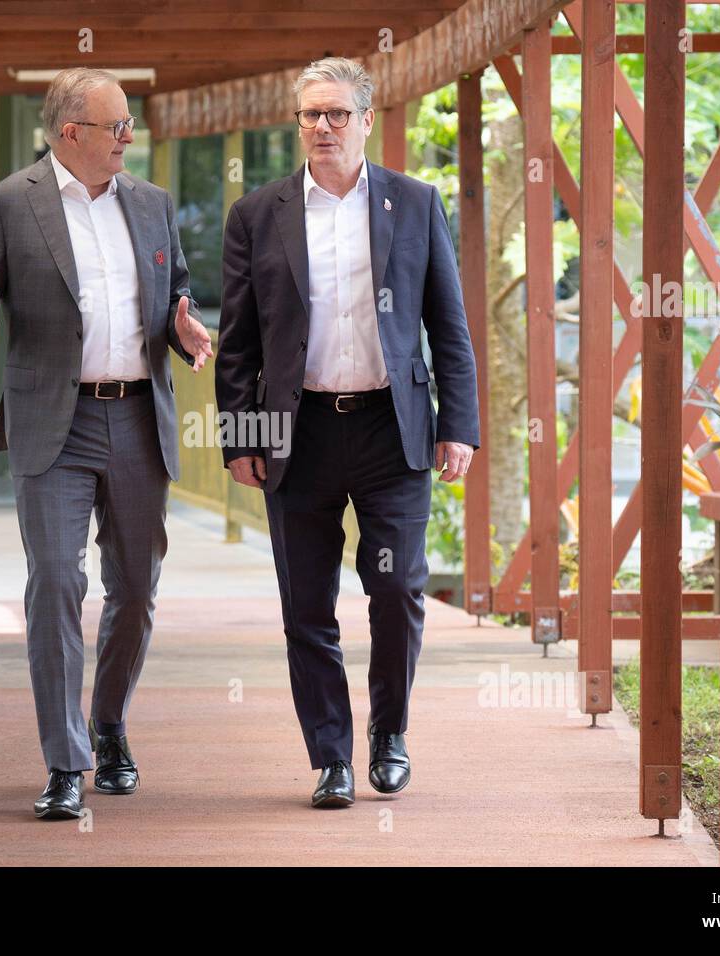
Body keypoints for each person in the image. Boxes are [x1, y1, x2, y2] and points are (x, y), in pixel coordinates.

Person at [0, 67, 212, 820]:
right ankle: (65, 761)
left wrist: (183, 333)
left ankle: (110, 723)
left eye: (128, 124)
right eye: (117, 125)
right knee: (57, 582)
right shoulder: (8, 204)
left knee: (135, 587)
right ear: (72, 134)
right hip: (52, 426)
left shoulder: (153, 206)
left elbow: (176, 297)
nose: (130, 136)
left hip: (135, 419)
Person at [215, 56, 480, 808]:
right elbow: (238, 339)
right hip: (295, 437)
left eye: (337, 113)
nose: (323, 127)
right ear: (297, 124)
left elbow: (447, 327)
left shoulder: (415, 203)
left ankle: (388, 734)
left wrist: (457, 425)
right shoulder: (256, 215)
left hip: (389, 432)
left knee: (394, 587)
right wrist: (241, 436)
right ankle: (329, 755)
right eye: (310, 115)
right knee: (306, 602)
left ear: (368, 120)